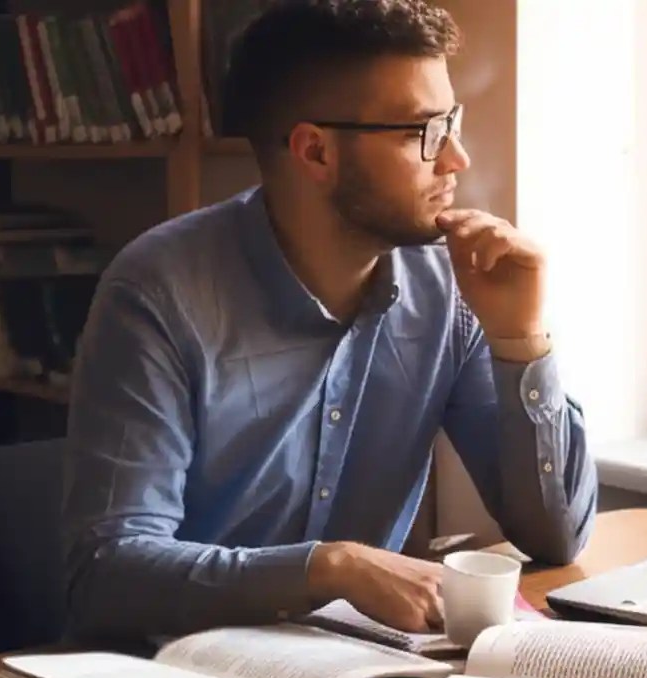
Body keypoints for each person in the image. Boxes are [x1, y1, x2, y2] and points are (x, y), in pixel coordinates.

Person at [60, 0, 597, 642]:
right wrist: (330, 568)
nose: (457, 159)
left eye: (451, 121)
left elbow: (556, 537)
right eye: (423, 131)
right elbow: (106, 573)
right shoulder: (158, 293)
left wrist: (521, 340)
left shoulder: (450, 287)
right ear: (315, 152)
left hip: (357, 673)